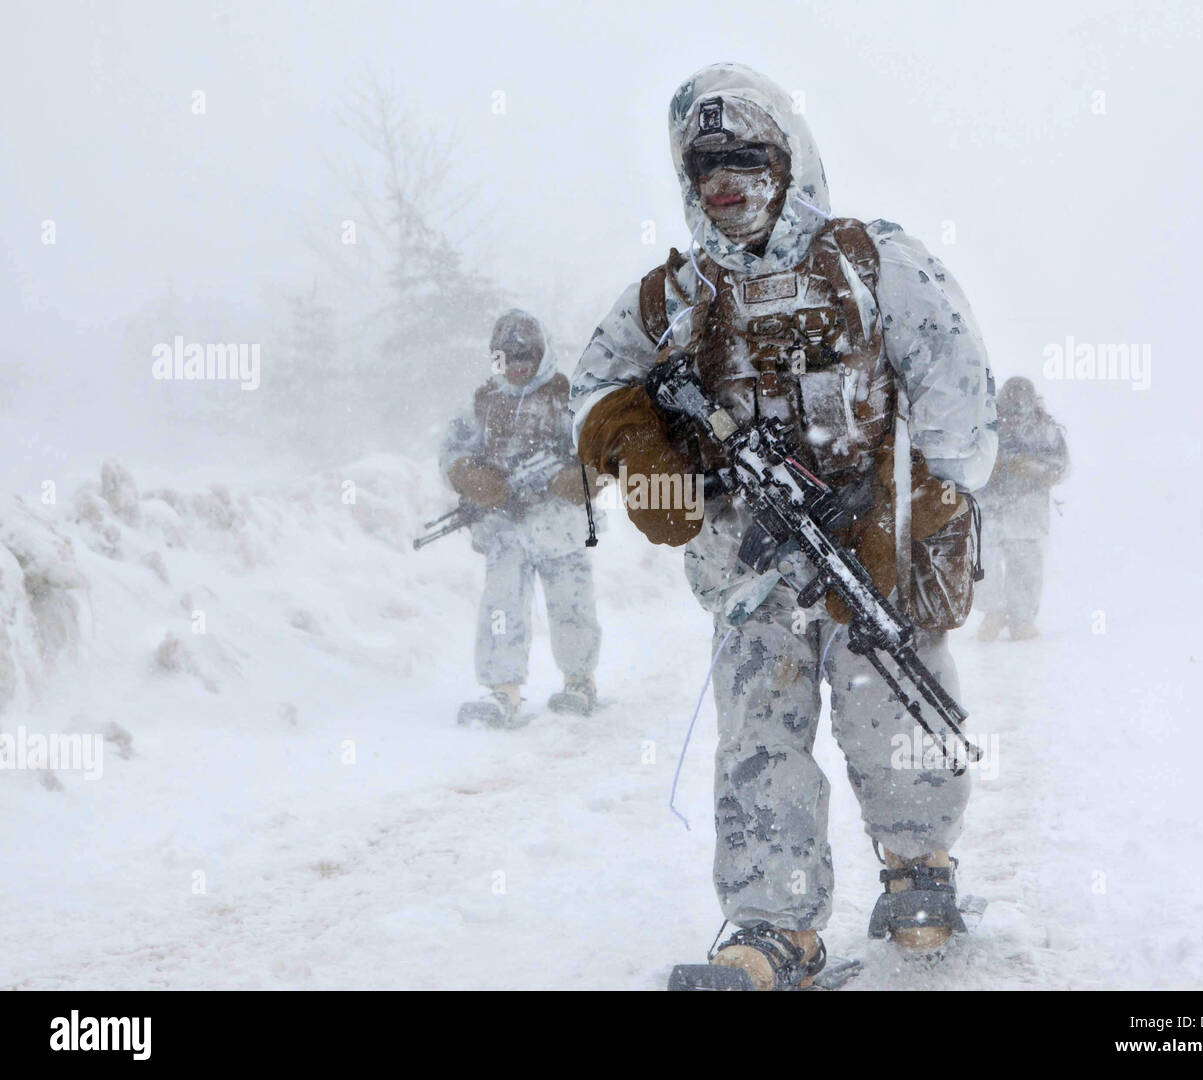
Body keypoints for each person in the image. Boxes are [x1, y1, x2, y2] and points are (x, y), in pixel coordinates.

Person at [570, 63, 997, 988]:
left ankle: (918, 867)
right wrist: (641, 449)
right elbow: (595, 386)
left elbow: (958, 390)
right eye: (703, 165)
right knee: (760, 739)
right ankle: (774, 924)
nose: (723, 180)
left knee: (894, 712)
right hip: (749, 569)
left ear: (788, 158)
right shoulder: (670, 298)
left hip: (871, 554)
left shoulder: (872, 260)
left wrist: (936, 507)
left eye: (745, 156)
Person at [441, 309, 600, 727]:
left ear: (541, 354)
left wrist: (580, 476)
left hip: (561, 523)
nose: (515, 366)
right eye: (505, 357)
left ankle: (579, 680)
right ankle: (502, 690)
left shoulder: (568, 396)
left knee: (571, 604)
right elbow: (453, 449)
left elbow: (601, 447)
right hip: (505, 526)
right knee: (501, 607)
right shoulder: (483, 400)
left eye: (523, 356)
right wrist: (468, 476)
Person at [975, 377, 1069, 642]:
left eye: (1020, 404)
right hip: (990, 507)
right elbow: (973, 461)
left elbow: (1061, 468)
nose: (1015, 410)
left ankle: (1022, 618)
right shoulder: (987, 426)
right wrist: (997, 466)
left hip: (1027, 509)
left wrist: (1032, 468)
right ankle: (993, 612)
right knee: (982, 561)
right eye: (1009, 403)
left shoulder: (1045, 430)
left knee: (1025, 564)